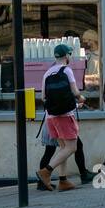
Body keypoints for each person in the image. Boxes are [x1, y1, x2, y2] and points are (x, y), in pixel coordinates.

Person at [37, 43, 85, 192]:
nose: (70, 57)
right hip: (65, 116)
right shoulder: (67, 70)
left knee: (63, 147)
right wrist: (81, 99)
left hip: (51, 117)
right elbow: (76, 93)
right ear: (66, 56)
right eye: (70, 54)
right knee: (72, 147)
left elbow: (43, 97)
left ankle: (63, 181)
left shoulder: (47, 73)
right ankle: (46, 172)